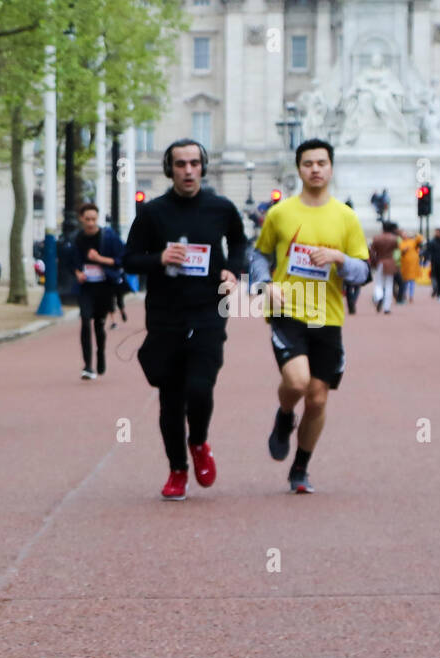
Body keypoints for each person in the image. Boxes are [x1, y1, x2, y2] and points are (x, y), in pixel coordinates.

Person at [123, 138, 246, 500]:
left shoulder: (221, 208)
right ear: (170, 169)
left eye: (194, 163)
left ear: (203, 168)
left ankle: (200, 443)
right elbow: (129, 259)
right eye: (180, 164)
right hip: (165, 315)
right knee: (170, 398)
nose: (188, 170)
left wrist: (231, 270)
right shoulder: (152, 213)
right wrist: (159, 258)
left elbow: (239, 243)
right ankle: (177, 469)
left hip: (209, 311)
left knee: (200, 386)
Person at [253, 139, 370, 494]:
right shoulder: (281, 213)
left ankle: (300, 468)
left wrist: (338, 258)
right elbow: (258, 255)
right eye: (308, 163)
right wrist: (263, 285)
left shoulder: (346, 217)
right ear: (299, 168)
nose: (315, 169)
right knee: (298, 383)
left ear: (331, 168)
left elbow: (362, 273)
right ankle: (285, 415)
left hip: (328, 315)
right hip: (286, 309)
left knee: (318, 398)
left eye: (321, 163)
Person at [65, 202, 125, 379]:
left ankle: (100, 355)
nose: (91, 223)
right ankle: (87, 366)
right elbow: (69, 262)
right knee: (85, 321)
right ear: (81, 219)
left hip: (104, 287)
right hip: (86, 288)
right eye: (87, 219)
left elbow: (121, 259)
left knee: (99, 324)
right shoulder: (76, 239)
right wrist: (77, 272)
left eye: (94, 219)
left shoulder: (109, 237)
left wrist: (101, 259)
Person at [398, 229, 422, 303]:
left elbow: (419, 240)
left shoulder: (413, 241)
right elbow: (400, 251)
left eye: (405, 234)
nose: (405, 235)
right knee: (405, 281)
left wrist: (416, 234)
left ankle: (411, 296)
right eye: (403, 234)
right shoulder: (401, 243)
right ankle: (404, 294)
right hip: (405, 265)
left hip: (412, 264)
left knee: (411, 281)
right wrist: (403, 250)